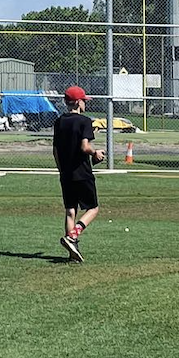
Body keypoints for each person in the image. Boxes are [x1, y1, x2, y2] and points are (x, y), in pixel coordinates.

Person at [52, 86, 105, 263]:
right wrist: (95, 152)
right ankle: (73, 236)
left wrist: (61, 170)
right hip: (82, 172)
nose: (85, 103)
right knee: (93, 208)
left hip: (66, 173)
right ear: (78, 102)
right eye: (83, 100)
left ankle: (72, 253)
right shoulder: (84, 121)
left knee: (70, 211)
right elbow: (84, 146)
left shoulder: (59, 121)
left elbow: (55, 150)